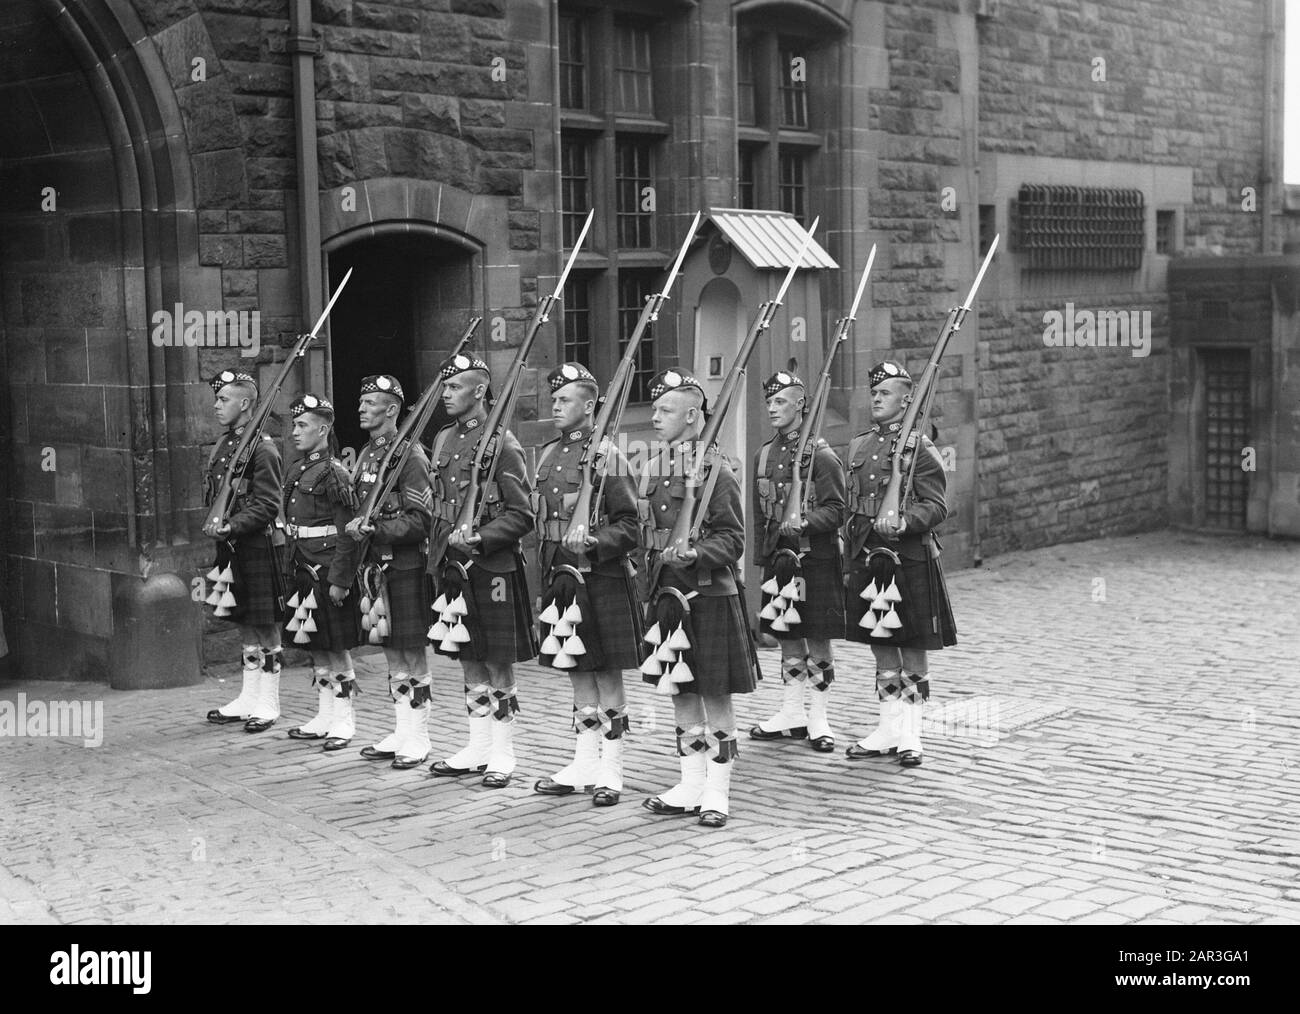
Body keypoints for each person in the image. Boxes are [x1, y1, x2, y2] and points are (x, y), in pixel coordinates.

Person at [639, 369, 761, 828]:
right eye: (652, 409)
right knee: (680, 691)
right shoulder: (653, 467)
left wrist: (697, 552)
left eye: (664, 410)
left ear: (692, 415)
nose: (654, 417)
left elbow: (733, 540)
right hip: (668, 597)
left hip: (708, 594)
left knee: (714, 693)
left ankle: (717, 790)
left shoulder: (717, 471)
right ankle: (690, 782)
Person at [531, 363, 643, 807]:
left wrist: (596, 540)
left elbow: (631, 526)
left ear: (589, 405)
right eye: (554, 399)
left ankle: (611, 768)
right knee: (576, 669)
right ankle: (584, 760)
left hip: (600, 576)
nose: (556, 406)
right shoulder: (546, 454)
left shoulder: (609, 455)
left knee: (606, 673)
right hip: (562, 576)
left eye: (565, 400)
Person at [425, 353, 537, 789]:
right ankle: (477, 745)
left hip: (492, 567)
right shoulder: (442, 440)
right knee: (468, 655)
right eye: (446, 388)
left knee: (497, 661)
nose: (447, 395)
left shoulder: (502, 445)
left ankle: (503, 752)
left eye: (455, 388)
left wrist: (483, 537)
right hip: (453, 566)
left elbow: (523, 514)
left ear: (478, 390)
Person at [842, 361, 957, 768]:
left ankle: (912, 731)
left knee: (912, 644)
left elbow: (938, 505)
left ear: (907, 400)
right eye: (874, 392)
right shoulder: (859, 446)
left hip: (907, 555)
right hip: (869, 556)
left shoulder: (920, 449)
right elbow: (850, 502)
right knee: (881, 642)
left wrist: (906, 522)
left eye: (886, 393)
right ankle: (888, 727)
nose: (876, 398)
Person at [748, 370, 846, 752]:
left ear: (800, 404)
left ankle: (819, 717)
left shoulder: (821, 456)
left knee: (817, 637)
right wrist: (762, 561)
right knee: (787, 635)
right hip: (781, 560)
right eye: (769, 402)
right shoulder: (765, 455)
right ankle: (792, 712)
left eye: (781, 402)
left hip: (815, 558)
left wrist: (805, 520)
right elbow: (760, 516)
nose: (772, 408)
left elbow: (838, 510)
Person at [344, 375, 434, 770]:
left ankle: (420, 737)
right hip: (374, 568)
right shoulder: (366, 455)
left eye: (371, 402)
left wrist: (376, 529)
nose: (362, 408)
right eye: (361, 401)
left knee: (411, 652)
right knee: (391, 651)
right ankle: (402, 729)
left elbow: (421, 520)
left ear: (392, 409)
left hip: (404, 565)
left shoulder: (411, 456)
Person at [201, 370, 286, 733]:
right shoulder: (225, 445)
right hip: (232, 546)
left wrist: (232, 525)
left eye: (225, 399)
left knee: (265, 625)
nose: (217, 405)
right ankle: (249, 696)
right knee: (245, 622)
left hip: (257, 544)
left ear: (246, 403)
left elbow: (268, 504)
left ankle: (269, 702)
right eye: (218, 399)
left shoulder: (263, 448)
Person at [280, 394, 364, 750]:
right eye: (294, 425)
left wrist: (341, 579)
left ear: (323, 428)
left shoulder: (334, 472)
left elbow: (348, 532)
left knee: (337, 646)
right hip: (302, 565)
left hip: (327, 567)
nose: (294, 432)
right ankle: (325, 715)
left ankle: (344, 720)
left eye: (302, 425)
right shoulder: (297, 468)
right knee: (317, 644)